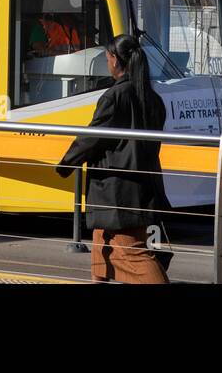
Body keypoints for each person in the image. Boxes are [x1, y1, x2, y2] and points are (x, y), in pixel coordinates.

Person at [55, 35, 170, 284]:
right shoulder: (153, 98)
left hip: (117, 189)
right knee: (101, 247)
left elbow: (93, 137)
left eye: (107, 57)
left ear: (116, 61)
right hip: (144, 185)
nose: (107, 62)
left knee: (134, 254)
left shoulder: (114, 97)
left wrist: (66, 163)